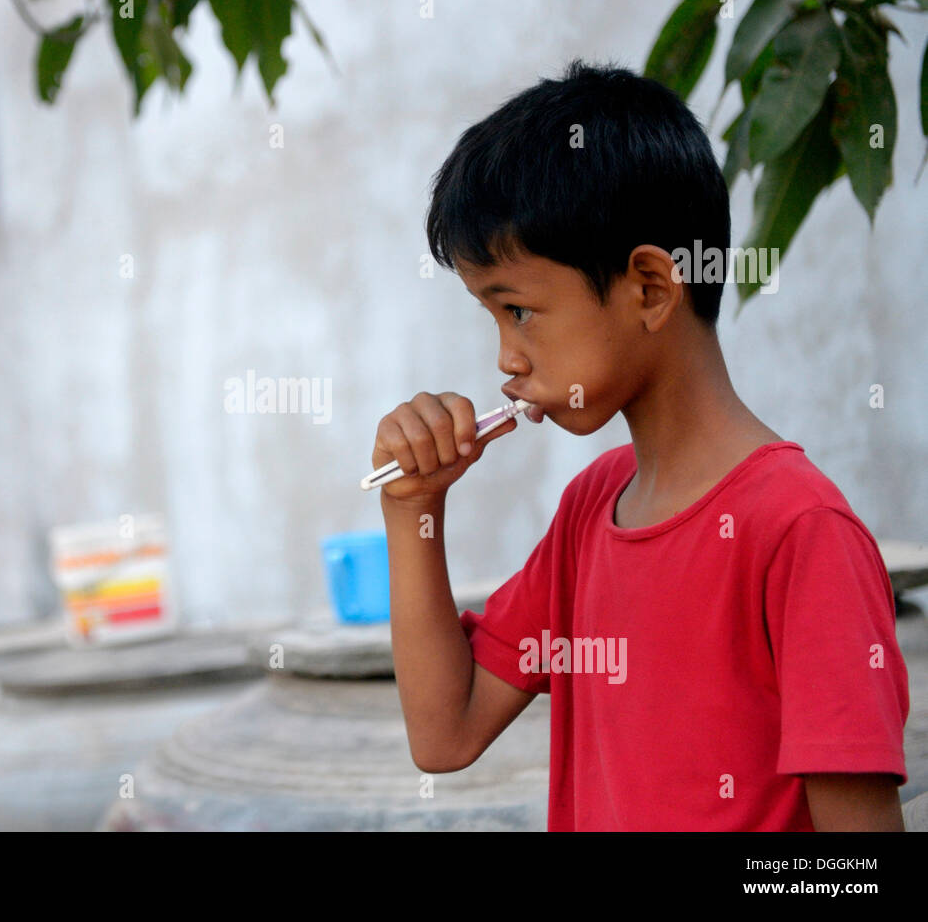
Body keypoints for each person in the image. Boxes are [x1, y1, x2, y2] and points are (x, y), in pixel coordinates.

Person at [373, 59, 908, 831]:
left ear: (652, 289)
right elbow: (444, 732)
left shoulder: (800, 531)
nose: (506, 358)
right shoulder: (592, 509)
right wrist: (413, 507)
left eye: (519, 310)